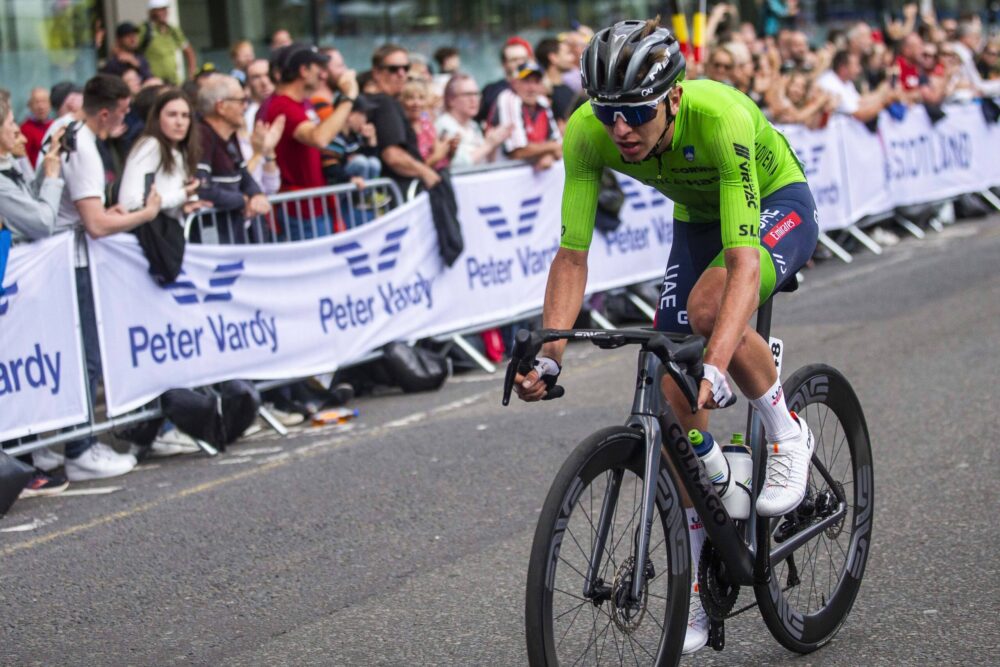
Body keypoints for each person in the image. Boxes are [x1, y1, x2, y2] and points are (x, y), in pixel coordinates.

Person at [514, 19, 818, 655]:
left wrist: (718, 359)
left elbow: (740, 267)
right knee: (677, 397)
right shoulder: (588, 134)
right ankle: (701, 585)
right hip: (697, 218)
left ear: (673, 99)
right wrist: (549, 357)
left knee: (711, 316)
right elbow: (572, 256)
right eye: (608, 111)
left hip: (773, 201)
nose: (620, 128)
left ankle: (786, 431)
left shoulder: (721, 117)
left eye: (636, 111)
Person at [38, 74, 163, 481]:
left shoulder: (62, 126)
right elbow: (92, 224)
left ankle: (55, 447)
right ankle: (80, 448)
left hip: (56, 259)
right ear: (105, 112)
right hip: (70, 263)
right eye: (124, 112)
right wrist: (144, 214)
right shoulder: (87, 147)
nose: (125, 120)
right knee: (85, 357)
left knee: (72, 354)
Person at [261, 43, 358, 238]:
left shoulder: (302, 103)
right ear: (303, 71)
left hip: (313, 204)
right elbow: (319, 138)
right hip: (298, 211)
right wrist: (348, 97)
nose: (323, 75)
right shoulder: (282, 106)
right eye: (318, 68)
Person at [195, 74, 271, 243]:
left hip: (236, 230)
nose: (246, 106)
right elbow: (203, 188)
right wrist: (243, 200)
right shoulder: (202, 135)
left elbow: (243, 173)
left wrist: (256, 194)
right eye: (241, 101)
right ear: (221, 107)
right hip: (214, 236)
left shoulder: (229, 135)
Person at [119, 87, 207, 225]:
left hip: (171, 235)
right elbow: (130, 202)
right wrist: (183, 194)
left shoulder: (181, 150)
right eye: (172, 114)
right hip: (147, 236)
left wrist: (187, 202)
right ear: (157, 117)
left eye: (185, 115)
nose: (179, 122)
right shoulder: (150, 145)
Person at [368, 43, 441, 191]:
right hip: (400, 193)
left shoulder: (381, 101)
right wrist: (425, 172)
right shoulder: (384, 102)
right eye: (393, 69)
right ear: (376, 73)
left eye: (405, 68)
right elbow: (392, 155)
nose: (402, 74)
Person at [489, 61, 562, 170]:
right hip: (501, 173)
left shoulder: (543, 102)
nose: (531, 88)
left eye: (536, 82)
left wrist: (548, 155)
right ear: (514, 83)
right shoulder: (509, 99)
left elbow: (558, 146)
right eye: (526, 82)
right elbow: (517, 151)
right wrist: (551, 148)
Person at [436, 73, 511, 167]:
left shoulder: (473, 125)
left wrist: (494, 144)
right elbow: (458, 165)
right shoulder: (444, 125)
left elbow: (485, 163)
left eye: (476, 94)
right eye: (467, 94)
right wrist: (489, 144)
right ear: (451, 100)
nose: (474, 99)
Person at [816, 50, 894, 123]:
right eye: (856, 66)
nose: (859, 70)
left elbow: (859, 101)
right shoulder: (830, 83)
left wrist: (883, 94)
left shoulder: (846, 81)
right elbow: (860, 115)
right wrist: (885, 101)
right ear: (843, 68)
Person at [400, 79, 457, 169]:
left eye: (421, 98)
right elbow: (412, 170)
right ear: (402, 102)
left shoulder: (426, 124)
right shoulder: (401, 128)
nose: (416, 103)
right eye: (410, 98)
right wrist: (437, 156)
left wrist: (450, 150)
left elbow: (441, 157)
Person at [139, 0, 196, 85]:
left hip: (174, 82)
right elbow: (125, 45)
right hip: (154, 84)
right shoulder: (144, 29)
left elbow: (189, 52)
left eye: (164, 9)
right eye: (159, 10)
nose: (163, 13)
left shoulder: (173, 30)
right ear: (151, 12)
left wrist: (192, 75)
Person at [477, 37, 532, 123]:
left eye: (524, 59)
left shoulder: (540, 88)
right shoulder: (493, 91)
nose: (521, 63)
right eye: (514, 60)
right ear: (504, 64)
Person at [535, 37, 577, 124]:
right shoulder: (544, 92)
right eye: (568, 53)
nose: (573, 58)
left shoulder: (567, 88)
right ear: (553, 58)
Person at [19, 87, 52, 168]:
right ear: (29, 105)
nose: (41, 106)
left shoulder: (55, 125)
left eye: (44, 101)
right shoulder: (24, 129)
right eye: (36, 102)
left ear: (50, 104)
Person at [244, 58, 274, 131]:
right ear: (248, 83)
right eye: (256, 77)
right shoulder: (246, 118)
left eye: (268, 75)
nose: (264, 82)